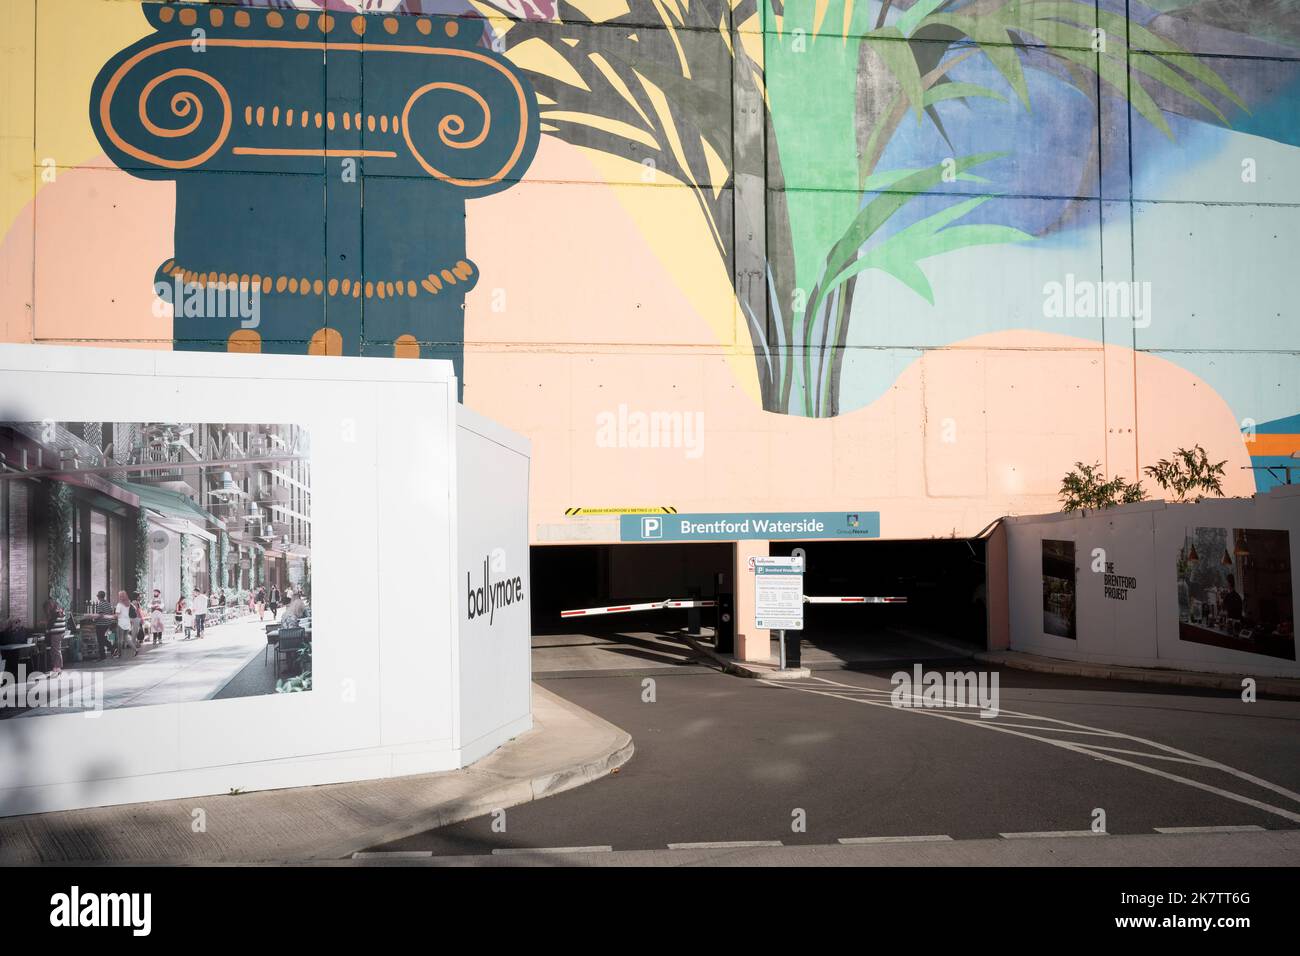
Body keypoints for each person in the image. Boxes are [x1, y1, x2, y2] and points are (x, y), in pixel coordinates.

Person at [114, 590, 133, 659]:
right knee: (125, 638)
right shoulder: (128, 603)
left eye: (119, 595)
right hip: (127, 623)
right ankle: (135, 649)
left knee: (119, 639)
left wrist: (111, 616)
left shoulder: (119, 604)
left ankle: (119, 654)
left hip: (121, 623)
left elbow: (117, 615)